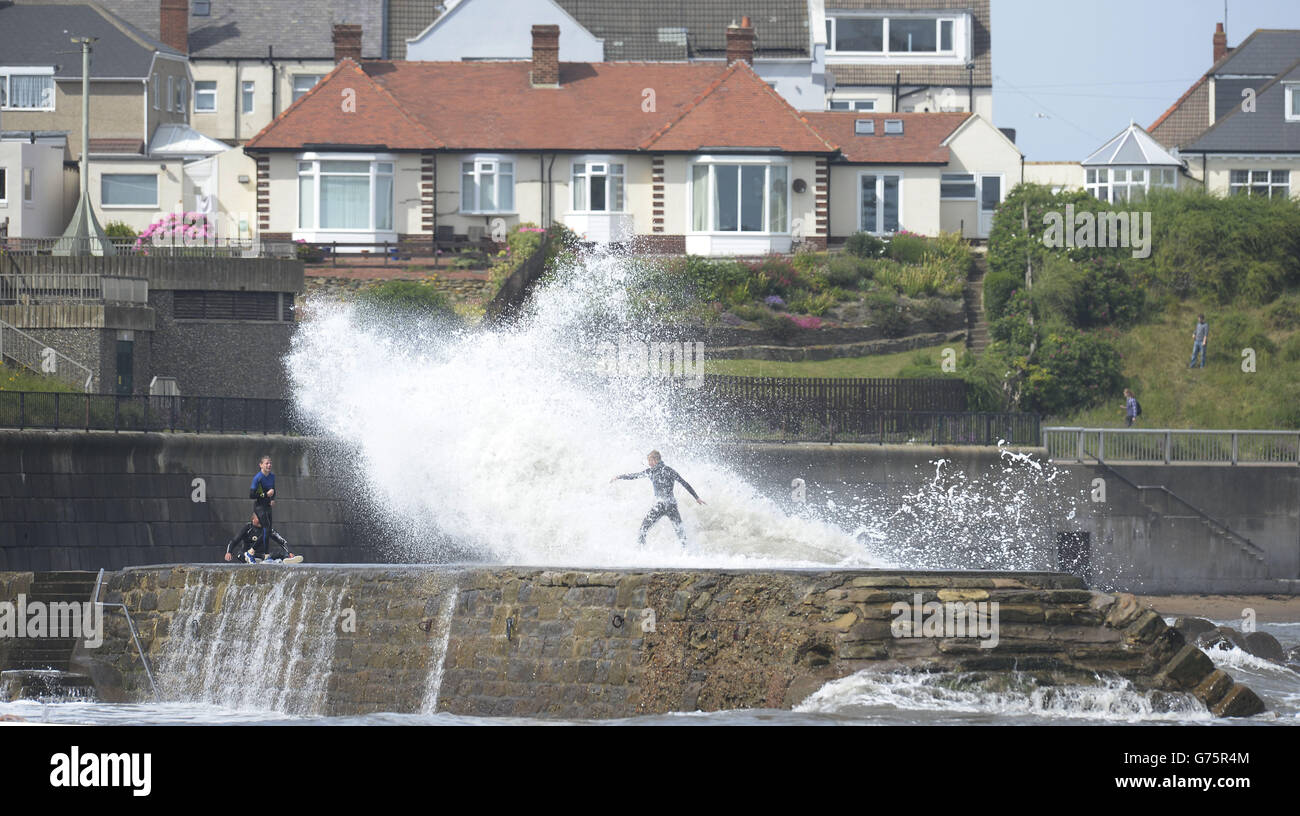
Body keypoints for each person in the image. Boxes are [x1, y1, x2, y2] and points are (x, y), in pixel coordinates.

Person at [610, 450, 705, 548]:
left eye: (650, 461)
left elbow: (634, 476)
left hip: (659, 506)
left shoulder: (651, 471)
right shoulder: (669, 470)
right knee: (680, 532)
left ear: (655, 460)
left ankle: (641, 551)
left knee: (643, 529)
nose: (649, 463)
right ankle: (687, 553)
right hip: (671, 505)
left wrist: (619, 477)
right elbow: (684, 483)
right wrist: (696, 497)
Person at [224, 512, 295, 563]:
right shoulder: (248, 527)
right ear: (253, 519)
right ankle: (255, 559)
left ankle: (287, 559)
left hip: (262, 555)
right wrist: (229, 552)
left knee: (280, 554)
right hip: (247, 554)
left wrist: (290, 552)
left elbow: (282, 541)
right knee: (240, 555)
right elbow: (234, 540)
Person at [250, 455, 276, 531]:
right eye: (267, 463)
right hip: (259, 506)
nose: (269, 465)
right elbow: (251, 495)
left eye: (270, 463)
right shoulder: (258, 478)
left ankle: (262, 543)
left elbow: (273, 489)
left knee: (269, 530)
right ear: (261, 465)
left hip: (268, 506)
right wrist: (266, 494)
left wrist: (272, 499)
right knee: (266, 528)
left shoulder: (272, 476)